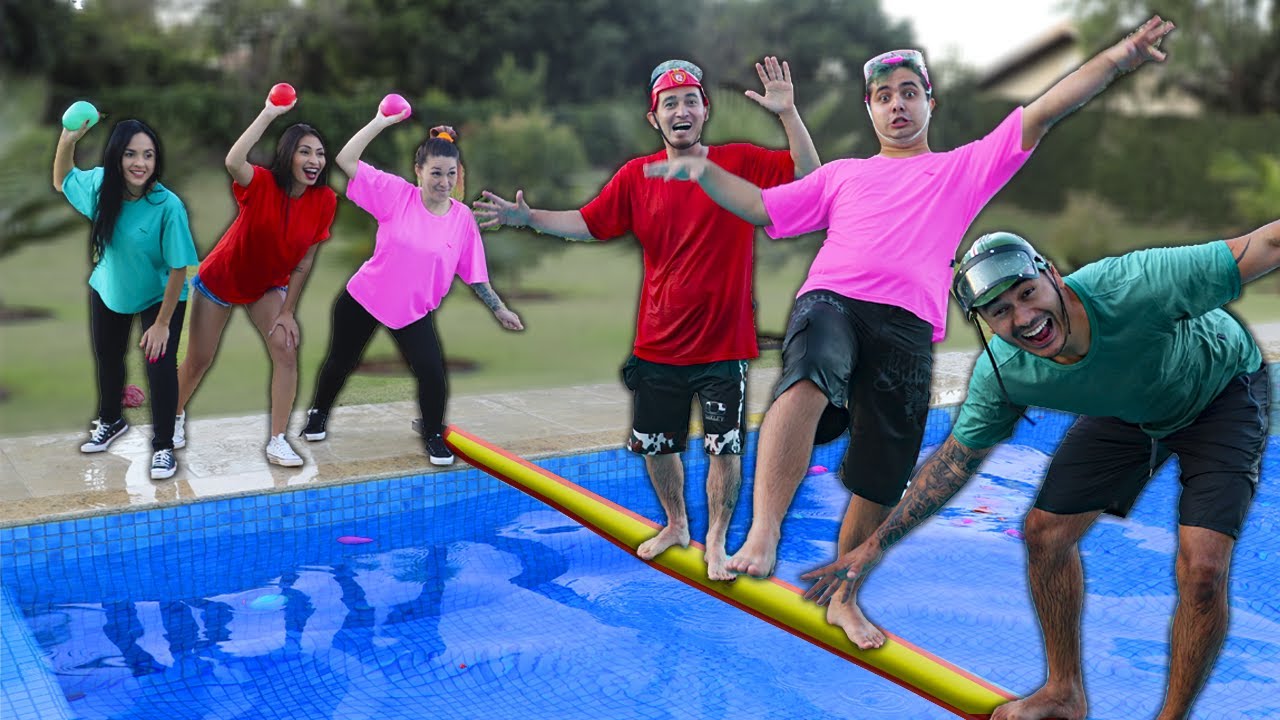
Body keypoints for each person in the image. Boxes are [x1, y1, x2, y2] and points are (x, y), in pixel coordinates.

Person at [645, 17, 1176, 642]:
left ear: (929, 101)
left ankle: (843, 593)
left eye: (908, 92)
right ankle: (764, 529)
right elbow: (765, 209)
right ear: (870, 109)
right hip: (833, 300)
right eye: (884, 96)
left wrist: (1116, 59)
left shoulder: (962, 168)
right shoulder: (843, 174)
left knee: (882, 470)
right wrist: (703, 171)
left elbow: (1043, 112)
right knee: (808, 370)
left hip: (907, 330)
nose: (897, 104)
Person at [804, 224, 1277, 720]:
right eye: (1000, 311)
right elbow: (952, 463)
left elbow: (1266, 244)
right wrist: (873, 546)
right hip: (1128, 411)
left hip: (1221, 392)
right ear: (983, 322)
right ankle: (1063, 691)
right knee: (1045, 534)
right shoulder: (1003, 373)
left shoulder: (1135, 283)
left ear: (1051, 275)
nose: (1025, 319)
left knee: (1203, 570)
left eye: (1028, 293)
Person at [473, 57, 821, 580]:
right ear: (653, 118)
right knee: (658, 447)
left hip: (725, 343)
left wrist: (789, 113)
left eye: (689, 100)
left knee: (725, 449)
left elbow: (809, 175)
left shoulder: (738, 162)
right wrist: (529, 218)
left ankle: (718, 542)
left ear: (705, 110)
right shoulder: (637, 177)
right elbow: (587, 223)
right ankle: (677, 523)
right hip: (658, 343)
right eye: (669, 103)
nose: (680, 110)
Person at [302, 115, 522, 465]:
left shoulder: (462, 219)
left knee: (432, 371)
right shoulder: (395, 195)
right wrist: (379, 121)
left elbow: (474, 273)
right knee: (341, 361)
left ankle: (433, 434)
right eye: (436, 172)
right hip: (364, 298)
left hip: (413, 310)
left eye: (451, 173)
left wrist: (499, 309)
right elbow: (345, 160)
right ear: (418, 170)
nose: (444, 181)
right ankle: (318, 413)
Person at [175, 91, 337, 467]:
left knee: (286, 352)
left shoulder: (325, 200)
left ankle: (278, 440)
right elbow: (233, 160)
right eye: (305, 152)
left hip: (267, 286)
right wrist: (268, 112)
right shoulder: (261, 183)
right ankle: (175, 416)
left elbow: (305, 262)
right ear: (288, 155)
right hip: (222, 278)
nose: (314, 161)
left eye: (320, 154)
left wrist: (287, 312)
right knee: (199, 359)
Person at [53, 117, 199, 480]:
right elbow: (62, 179)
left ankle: (164, 446)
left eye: (148, 155)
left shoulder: (167, 205)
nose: (140, 163)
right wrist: (67, 139)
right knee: (108, 355)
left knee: (159, 365)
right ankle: (111, 421)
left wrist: (163, 324)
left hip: (159, 294)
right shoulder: (101, 186)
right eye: (132, 154)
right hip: (110, 287)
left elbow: (179, 267)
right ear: (117, 156)